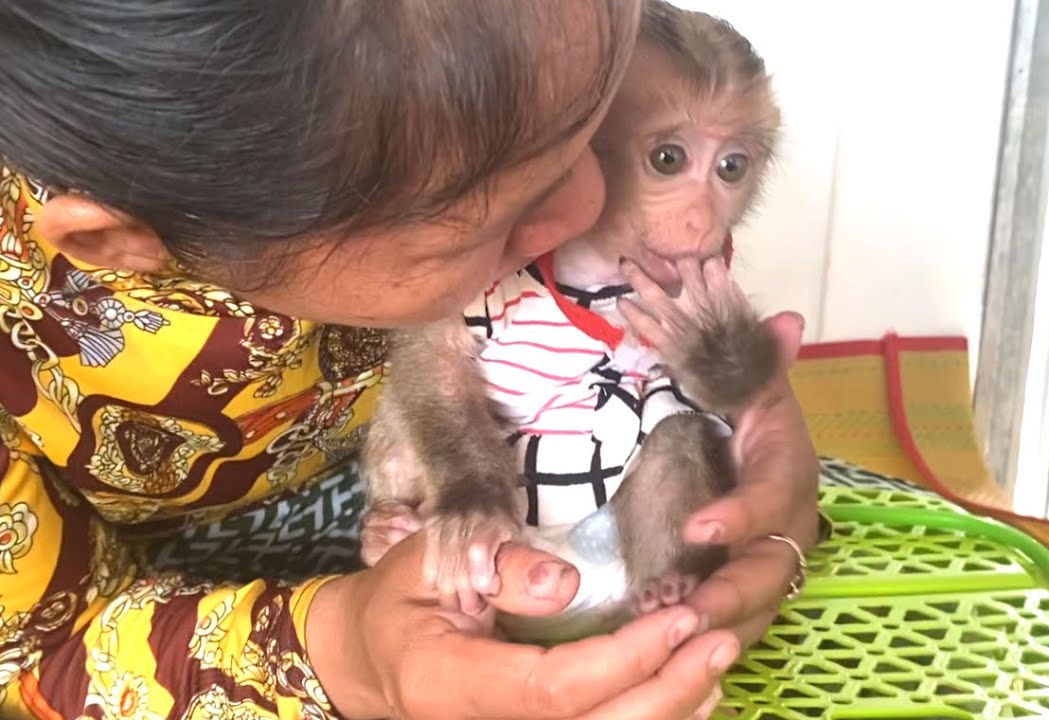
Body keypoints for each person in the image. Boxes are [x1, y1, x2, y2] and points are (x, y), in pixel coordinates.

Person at [0, 2, 822, 718]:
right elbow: (43, 653)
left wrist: (746, 418)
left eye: (591, 133)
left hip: (485, 480)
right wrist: (351, 658)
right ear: (123, 243)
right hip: (163, 590)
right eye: (487, 214)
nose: (586, 207)